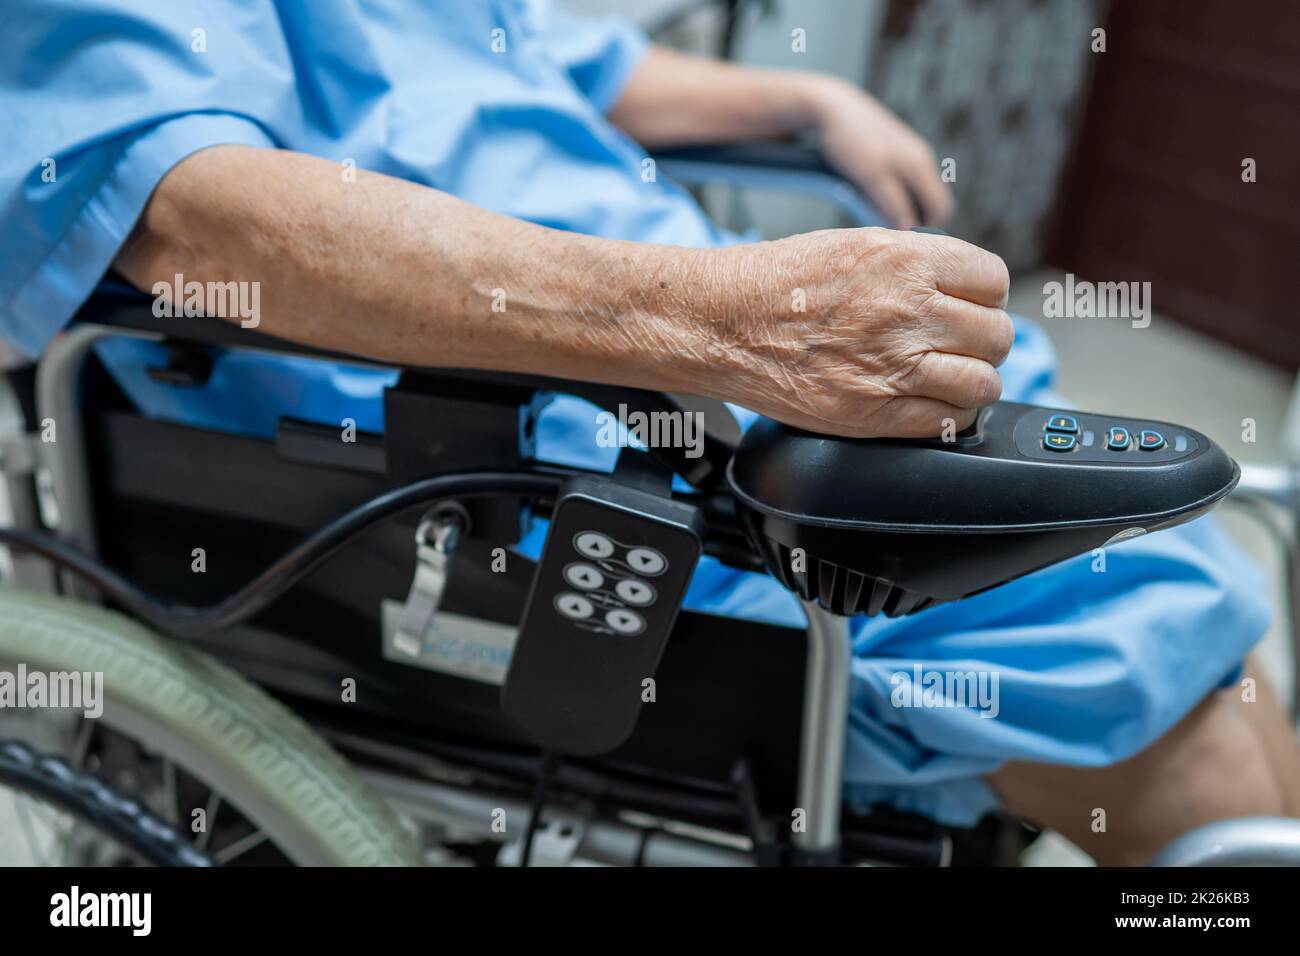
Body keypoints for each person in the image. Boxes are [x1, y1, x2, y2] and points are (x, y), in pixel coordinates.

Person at [1, 0, 1294, 864]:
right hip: (510, 433)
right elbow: (180, 212)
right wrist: (714, 320)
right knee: (1154, 669)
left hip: (679, 337)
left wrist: (804, 107)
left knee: (1198, 600)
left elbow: (549, 59)